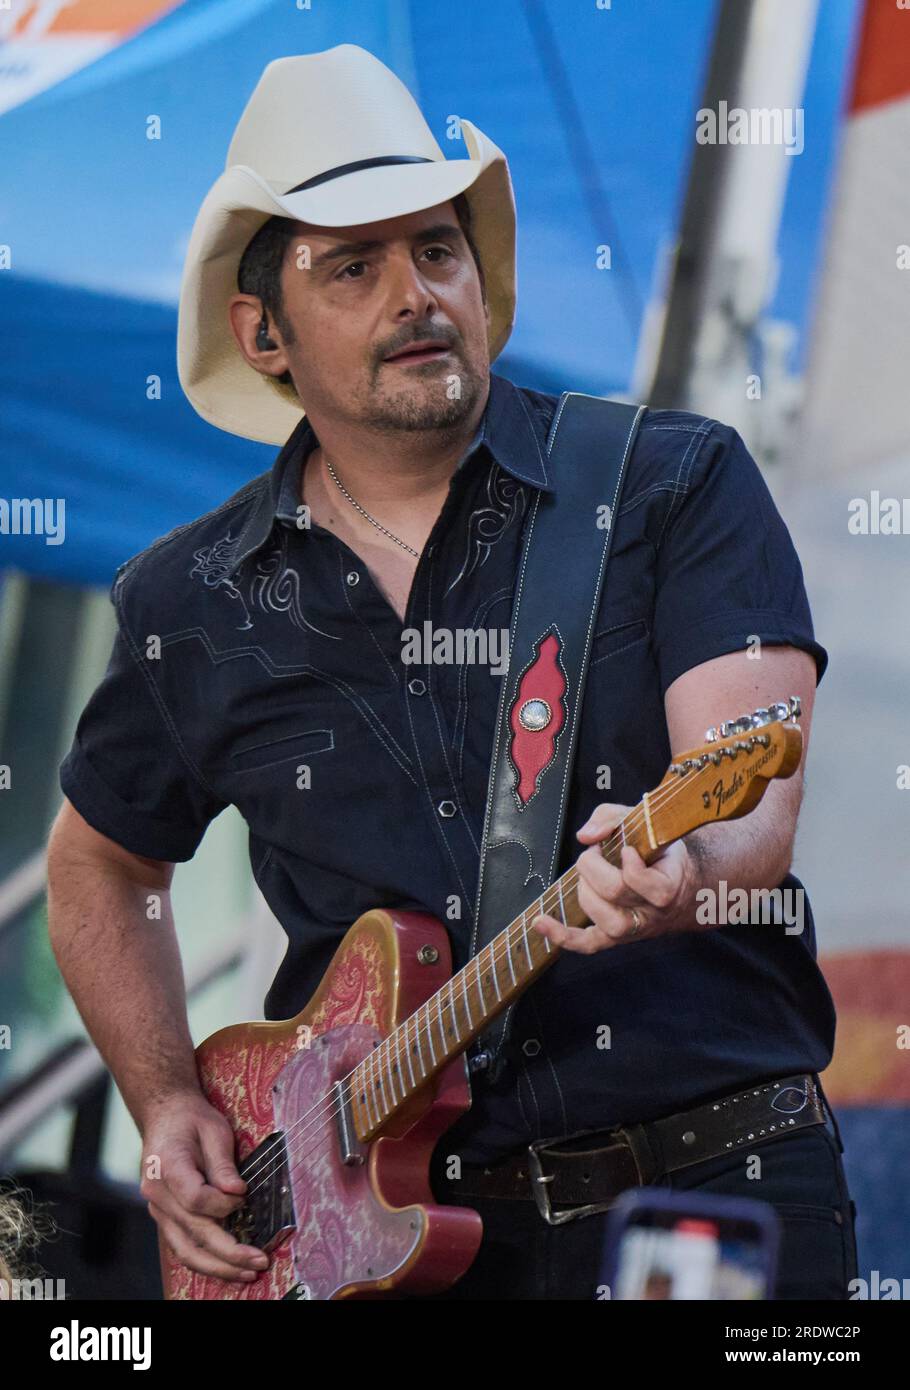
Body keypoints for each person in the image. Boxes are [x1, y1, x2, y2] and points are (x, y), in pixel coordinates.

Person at [47, 45, 857, 1300]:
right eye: (352, 267)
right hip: (376, 1253)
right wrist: (163, 1099)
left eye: (435, 250)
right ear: (262, 333)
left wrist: (686, 865)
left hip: (703, 1193)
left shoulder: (668, 482)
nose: (414, 293)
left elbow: (749, 792)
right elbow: (100, 859)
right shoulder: (187, 597)